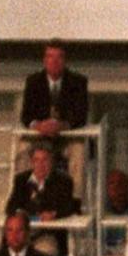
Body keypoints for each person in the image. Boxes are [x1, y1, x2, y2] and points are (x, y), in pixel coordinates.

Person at [20, 38, 92, 194]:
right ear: (44, 60)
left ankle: (75, 200)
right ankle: (25, 197)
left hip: (66, 138)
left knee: (79, 150)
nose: (54, 61)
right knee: (22, 148)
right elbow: (26, 116)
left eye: (59, 57)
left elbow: (81, 116)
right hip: (40, 137)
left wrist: (61, 125)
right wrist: (39, 126)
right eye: (50, 56)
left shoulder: (78, 82)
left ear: (65, 60)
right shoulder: (33, 81)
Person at [5, 141, 78, 256]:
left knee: (43, 253)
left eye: (45, 160)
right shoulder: (21, 180)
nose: (40, 164)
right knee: (8, 250)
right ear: (31, 162)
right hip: (23, 233)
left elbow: (70, 207)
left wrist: (54, 215)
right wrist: (19, 213)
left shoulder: (63, 181)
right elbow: (11, 206)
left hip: (48, 234)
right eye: (36, 160)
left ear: (52, 162)